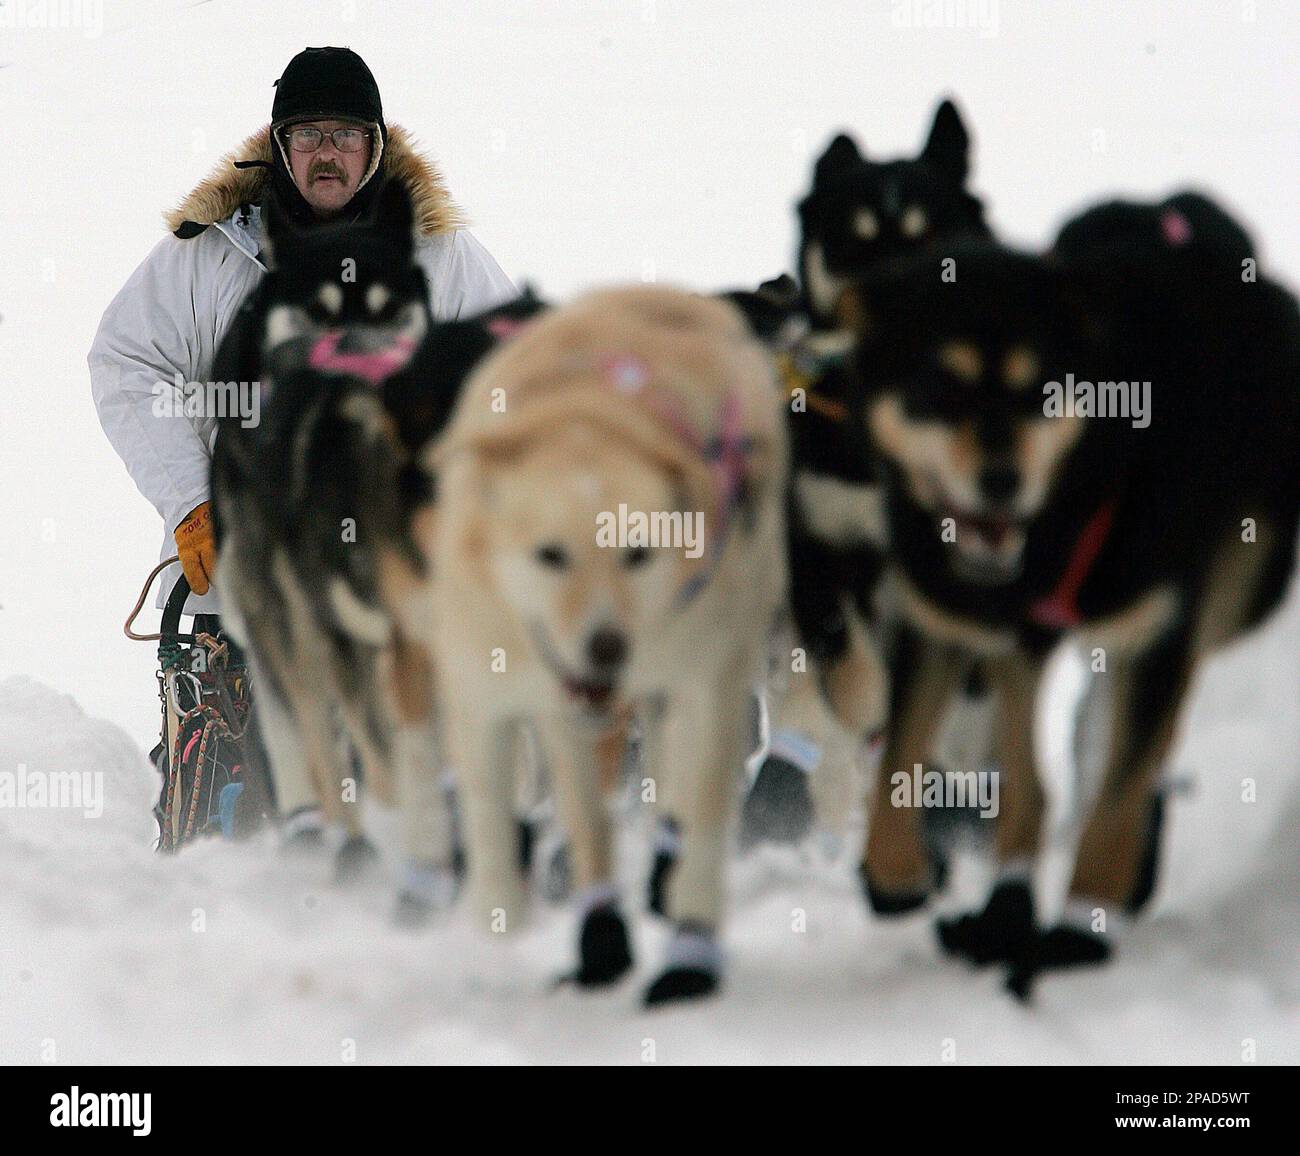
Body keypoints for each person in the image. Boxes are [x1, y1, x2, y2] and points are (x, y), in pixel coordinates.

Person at [90, 46, 517, 617]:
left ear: (375, 144)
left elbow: (515, 378)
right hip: (237, 588)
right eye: (307, 135)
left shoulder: (439, 255)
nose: (327, 155)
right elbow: (127, 362)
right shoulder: (210, 251)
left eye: (345, 135)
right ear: (279, 145)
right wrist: (193, 505)